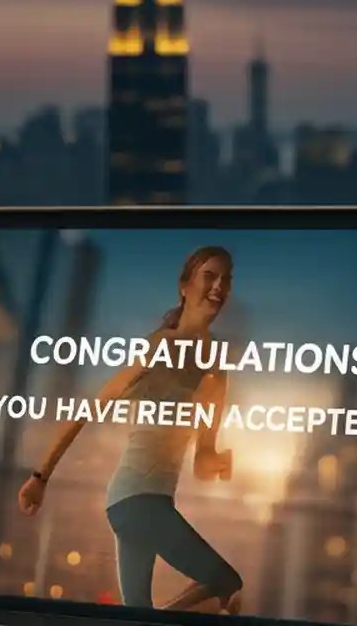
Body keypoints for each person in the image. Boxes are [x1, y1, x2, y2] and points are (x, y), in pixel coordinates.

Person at [17, 246, 244, 615]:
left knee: (137, 612)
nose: (219, 286)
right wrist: (40, 476)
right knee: (227, 582)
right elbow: (87, 410)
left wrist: (218, 461)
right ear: (185, 286)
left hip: (147, 502)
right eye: (210, 276)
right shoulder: (161, 347)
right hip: (136, 501)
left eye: (227, 279)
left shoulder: (217, 366)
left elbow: (202, 460)